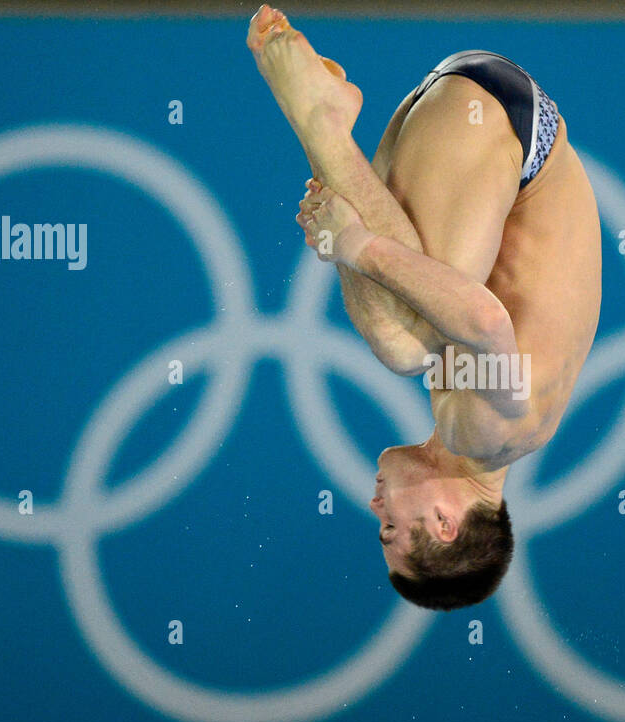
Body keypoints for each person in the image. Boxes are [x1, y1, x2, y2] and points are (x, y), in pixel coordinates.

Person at [247, 5, 601, 609]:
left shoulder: (470, 434)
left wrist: (353, 243)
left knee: (404, 329)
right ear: (444, 524)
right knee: (404, 344)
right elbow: (487, 321)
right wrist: (356, 246)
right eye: (390, 528)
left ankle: (328, 136)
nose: (374, 506)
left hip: (481, 119)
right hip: (505, 129)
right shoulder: (491, 437)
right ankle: (322, 126)